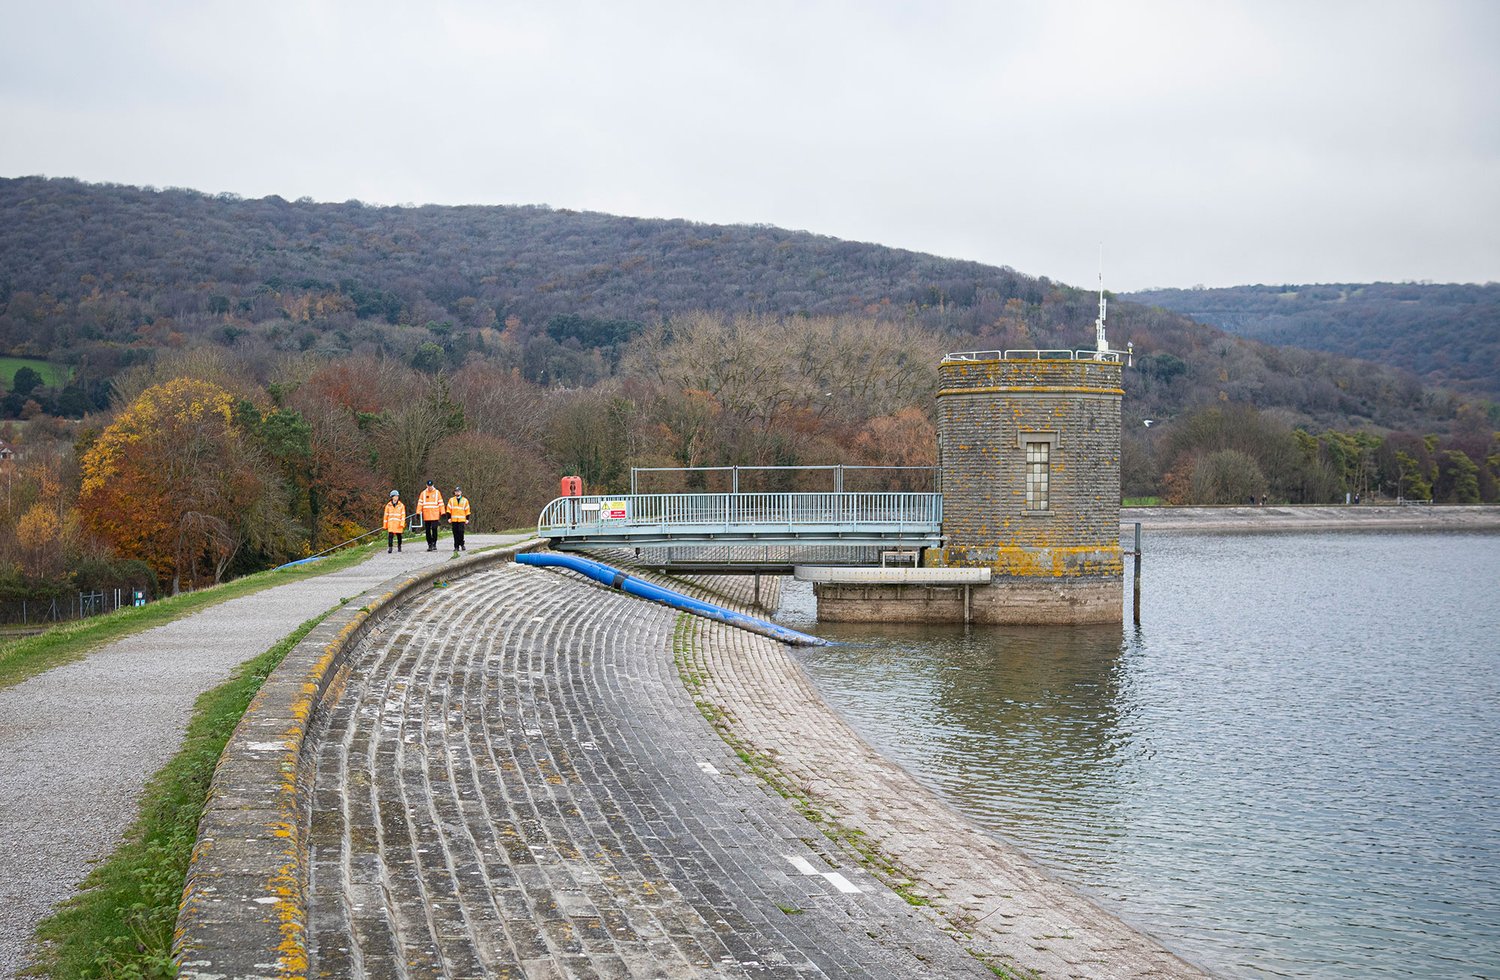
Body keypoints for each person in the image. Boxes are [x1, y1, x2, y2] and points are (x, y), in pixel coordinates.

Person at [417, 480, 445, 551]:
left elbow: (441, 503)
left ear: (433, 485)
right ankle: (429, 544)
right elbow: (420, 503)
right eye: (428, 486)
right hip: (426, 515)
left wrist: (443, 512)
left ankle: (434, 543)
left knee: (434, 529)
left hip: (435, 515)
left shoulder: (437, 493)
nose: (430, 487)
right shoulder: (423, 493)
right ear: (426, 486)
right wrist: (418, 512)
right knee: (427, 531)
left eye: (431, 486)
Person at [446, 486, 471, 552]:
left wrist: (467, 519)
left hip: (462, 519)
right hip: (454, 520)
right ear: (454, 492)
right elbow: (448, 509)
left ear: (461, 492)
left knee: (461, 532)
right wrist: (448, 518)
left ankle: (462, 544)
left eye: (458, 491)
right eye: (456, 491)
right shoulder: (451, 500)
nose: (457, 493)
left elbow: (467, 510)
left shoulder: (465, 500)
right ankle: (456, 546)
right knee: (455, 533)